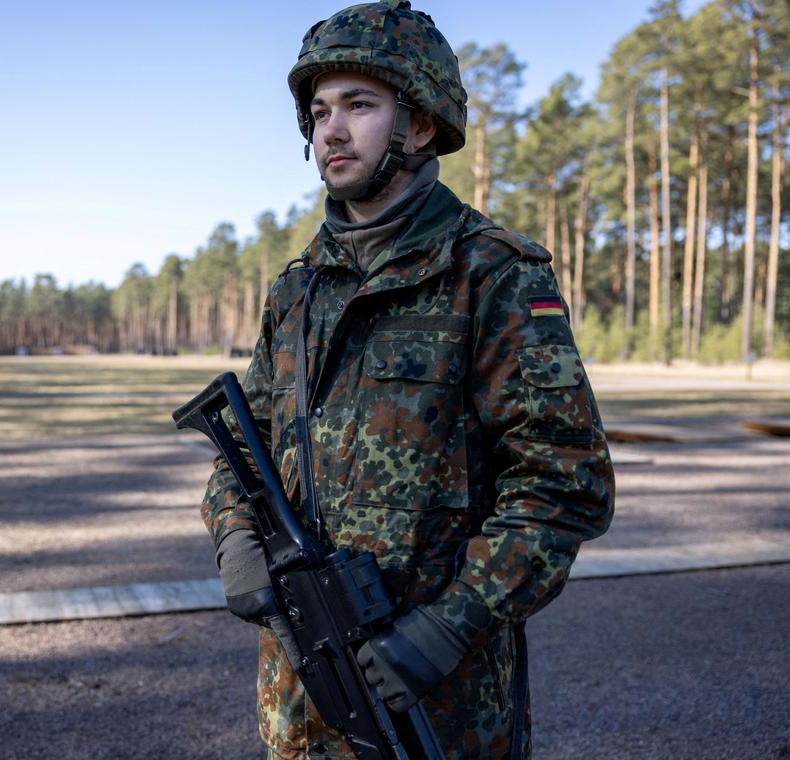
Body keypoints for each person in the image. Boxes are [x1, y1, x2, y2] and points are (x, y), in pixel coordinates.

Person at [200, 2, 615, 758]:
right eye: (320, 110)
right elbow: (246, 448)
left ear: (421, 125)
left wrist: (447, 627)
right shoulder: (297, 291)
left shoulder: (490, 273)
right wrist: (232, 533)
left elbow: (564, 485)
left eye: (360, 104)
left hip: (438, 705)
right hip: (298, 699)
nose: (331, 129)